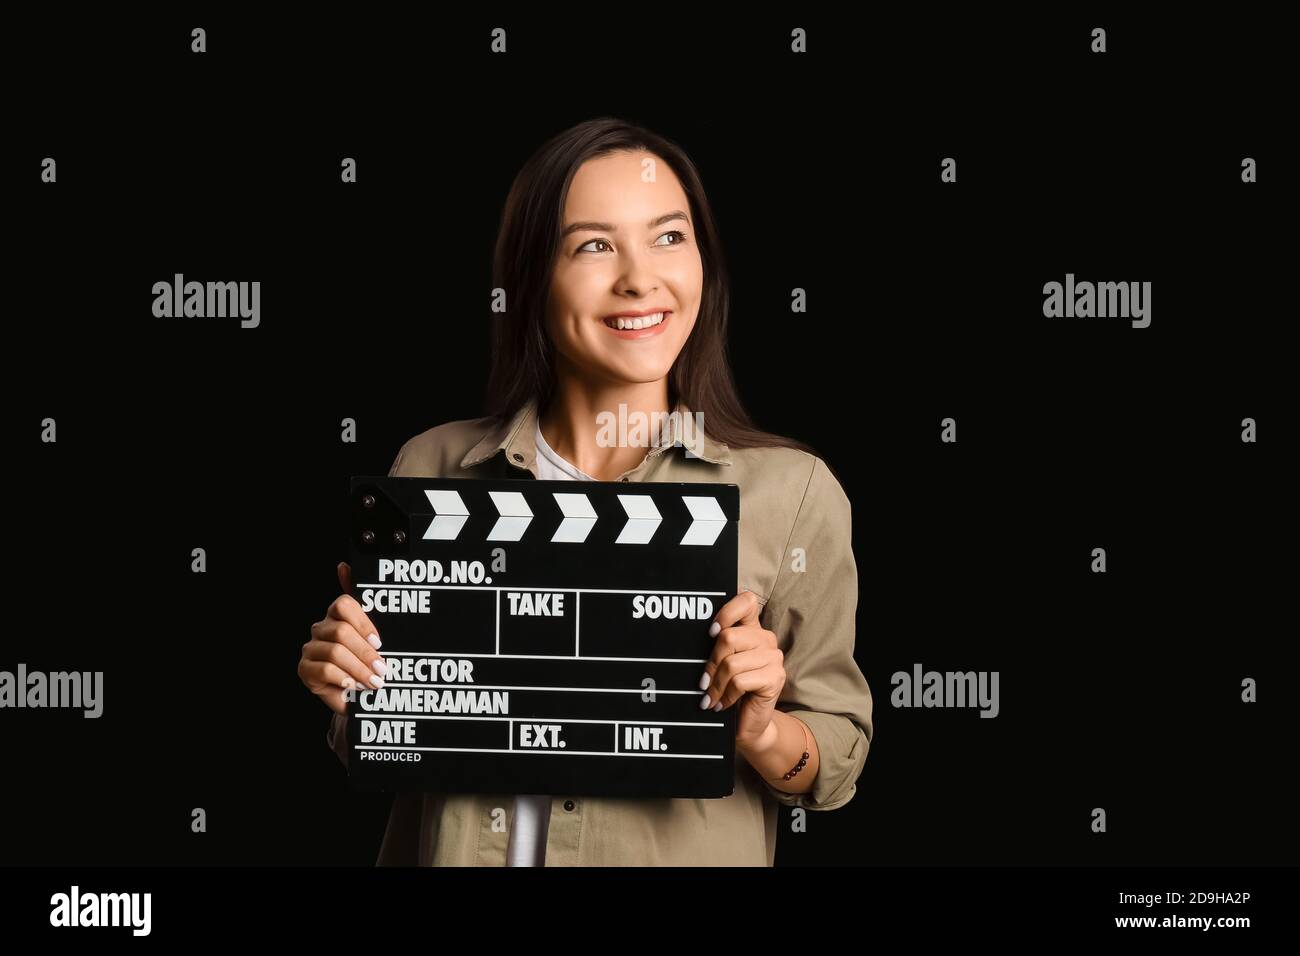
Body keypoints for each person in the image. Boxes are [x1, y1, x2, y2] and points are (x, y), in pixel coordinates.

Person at [298, 117, 873, 866]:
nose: (640, 277)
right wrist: (352, 686)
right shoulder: (430, 468)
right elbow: (391, 744)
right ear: (533, 275)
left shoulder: (793, 494)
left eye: (669, 236)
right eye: (594, 245)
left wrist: (763, 731)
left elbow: (836, 761)